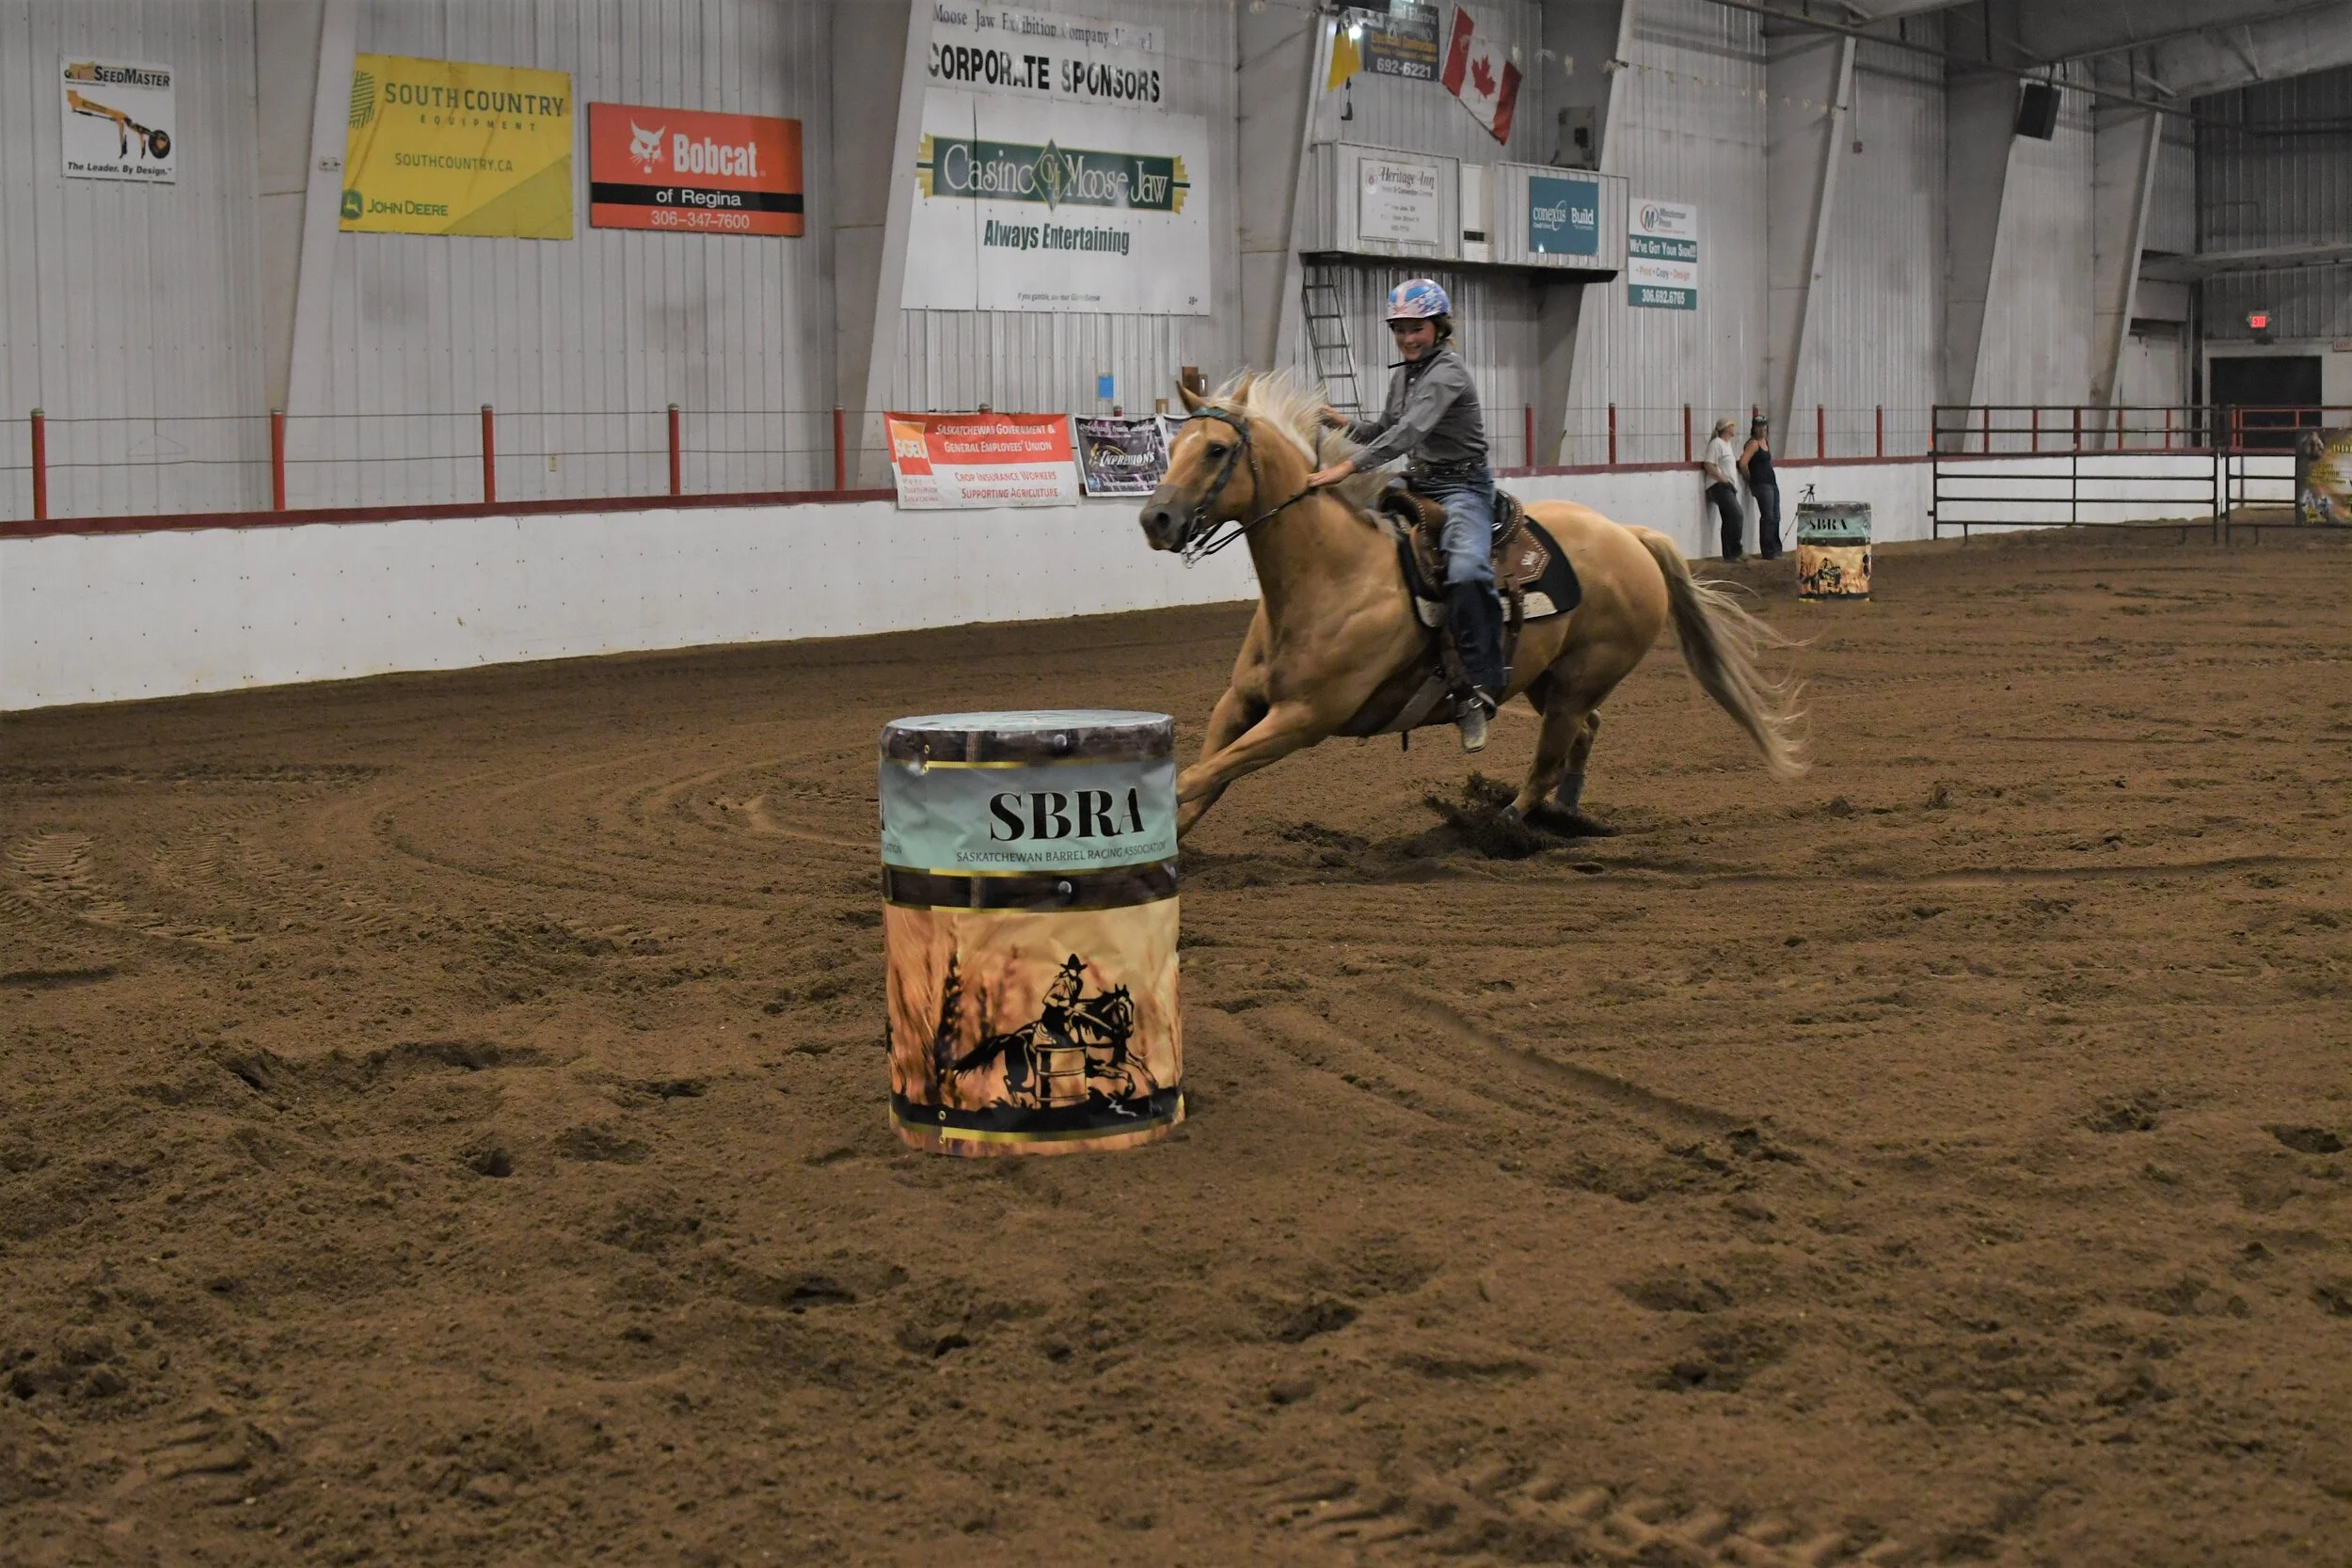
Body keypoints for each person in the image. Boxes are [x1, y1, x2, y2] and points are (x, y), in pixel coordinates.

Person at [1304, 278, 1503, 752]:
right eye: (1399, 330)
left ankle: (1481, 683)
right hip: (1419, 481)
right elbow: (1385, 428)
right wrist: (1344, 424)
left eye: (1416, 328)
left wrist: (1347, 467)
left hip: (1463, 489)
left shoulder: (1448, 373)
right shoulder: (1407, 375)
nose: (1407, 338)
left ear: (1438, 327)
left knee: (1468, 571)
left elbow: (1408, 433)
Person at [1739, 416, 1781, 560]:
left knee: (1775, 516)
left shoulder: (1764, 442)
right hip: (1762, 483)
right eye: (1759, 427)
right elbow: (1743, 463)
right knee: (1768, 516)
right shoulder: (1753, 443)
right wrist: (1751, 479)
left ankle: (1775, 549)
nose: (1762, 429)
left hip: (1770, 482)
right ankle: (1769, 551)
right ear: (1754, 428)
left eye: (1764, 426)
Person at [1703, 417, 1744, 561]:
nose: (1734, 428)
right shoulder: (1717, 443)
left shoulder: (1727, 445)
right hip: (1719, 485)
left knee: (1729, 519)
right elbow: (1709, 465)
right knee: (1737, 515)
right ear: (1726, 428)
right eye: (1731, 425)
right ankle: (1736, 550)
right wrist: (1724, 480)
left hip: (1727, 486)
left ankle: (1729, 554)